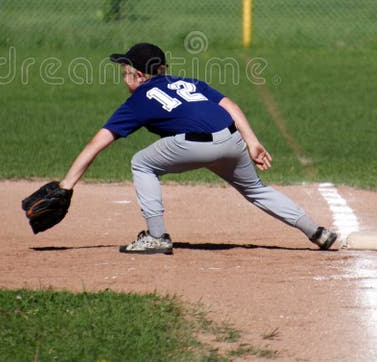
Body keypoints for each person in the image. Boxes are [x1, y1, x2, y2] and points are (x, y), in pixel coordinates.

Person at [59, 42, 338, 255]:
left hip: (193, 144)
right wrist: (251, 141)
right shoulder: (188, 82)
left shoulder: (138, 100)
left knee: (142, 163)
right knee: (256, 190)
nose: (124, 79)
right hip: (232, 140)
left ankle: (156, 236)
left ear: (140, 76)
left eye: (126, 73)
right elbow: (229, 105)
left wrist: (66, 185)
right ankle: (317, 232)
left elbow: (98, 142)